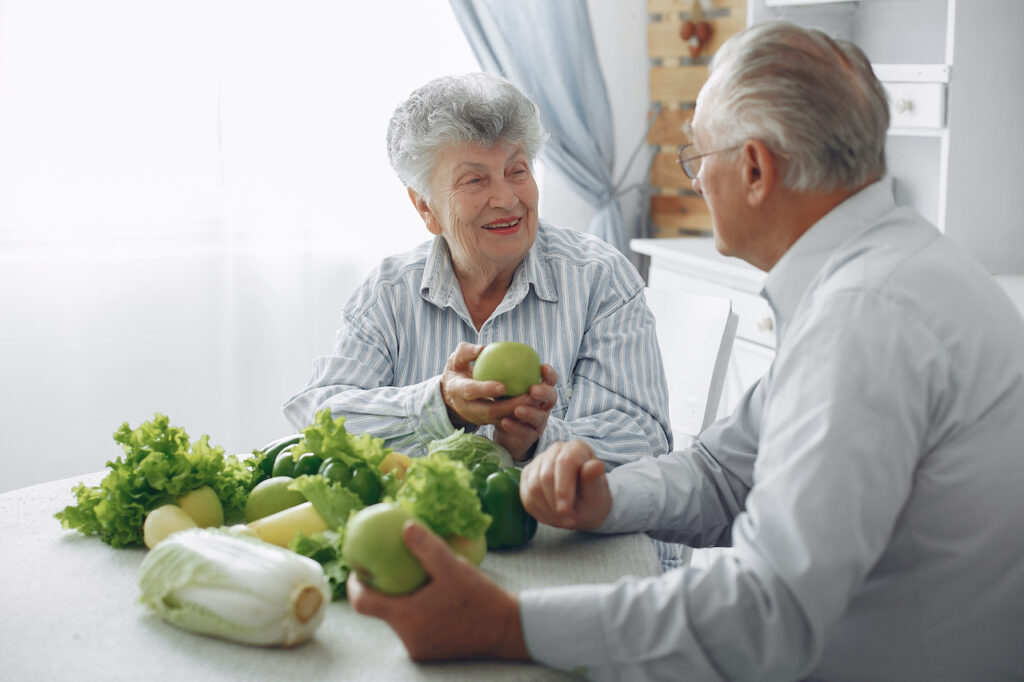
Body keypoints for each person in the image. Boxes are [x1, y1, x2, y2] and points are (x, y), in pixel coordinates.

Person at [346, 21, 1024, 681]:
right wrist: (604, 498)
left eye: (698, 156)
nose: (695, 180)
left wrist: (507, 624)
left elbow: (766, 612)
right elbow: (725, 473)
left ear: (754, 169)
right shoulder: (887, 272)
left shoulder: (865, 318)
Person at [283, 72, 672, 465]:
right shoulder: (389, 292)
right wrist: (441, 407)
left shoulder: (600, 281)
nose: (506, 198)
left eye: (517, 170)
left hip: (555, 527)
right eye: (474, 180)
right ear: (425, 208)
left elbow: (643, 442)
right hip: (419, 523)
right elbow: (320, 420)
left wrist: (539, 442)